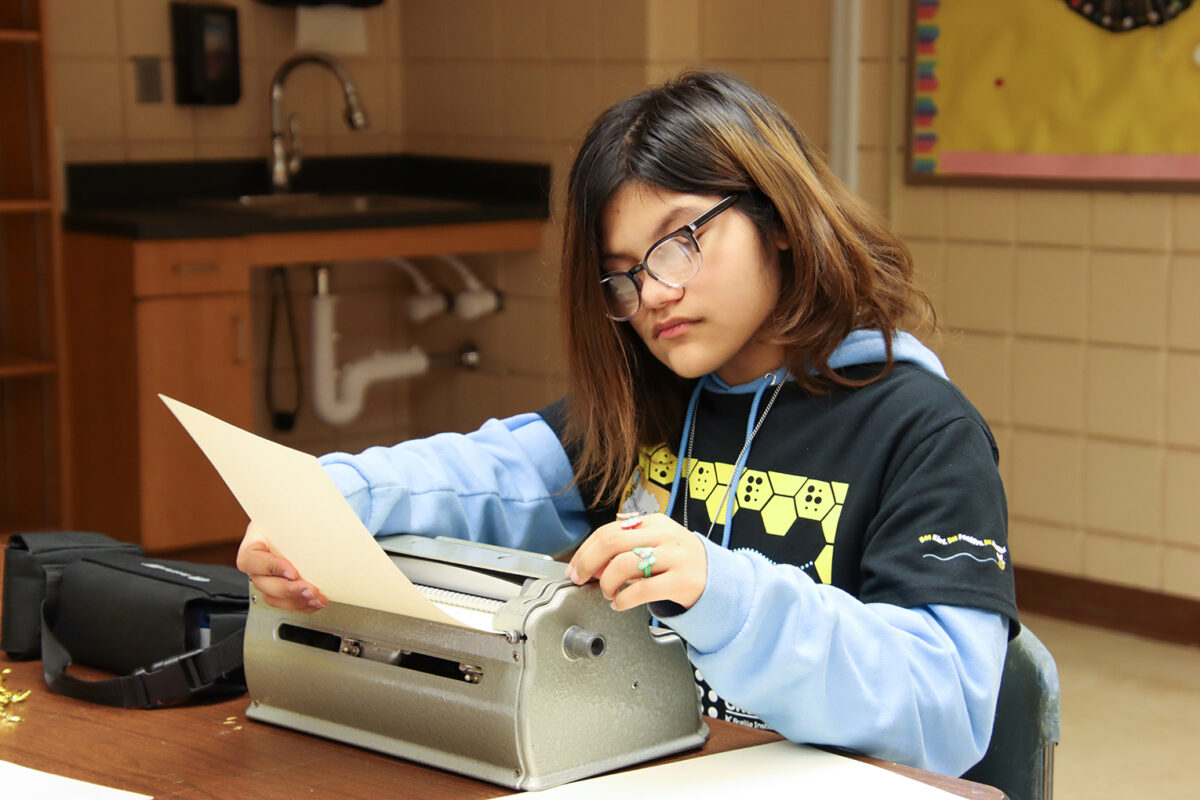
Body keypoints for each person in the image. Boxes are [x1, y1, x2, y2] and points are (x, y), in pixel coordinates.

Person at [237, 70, 1017, 778]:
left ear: (778, 219)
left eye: (679, 242)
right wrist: (320, 499)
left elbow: (945, 711)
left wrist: (724, 590)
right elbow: (489, 473)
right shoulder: (646, 403)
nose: (654, 293)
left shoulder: (922, 430)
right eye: (624, 271)